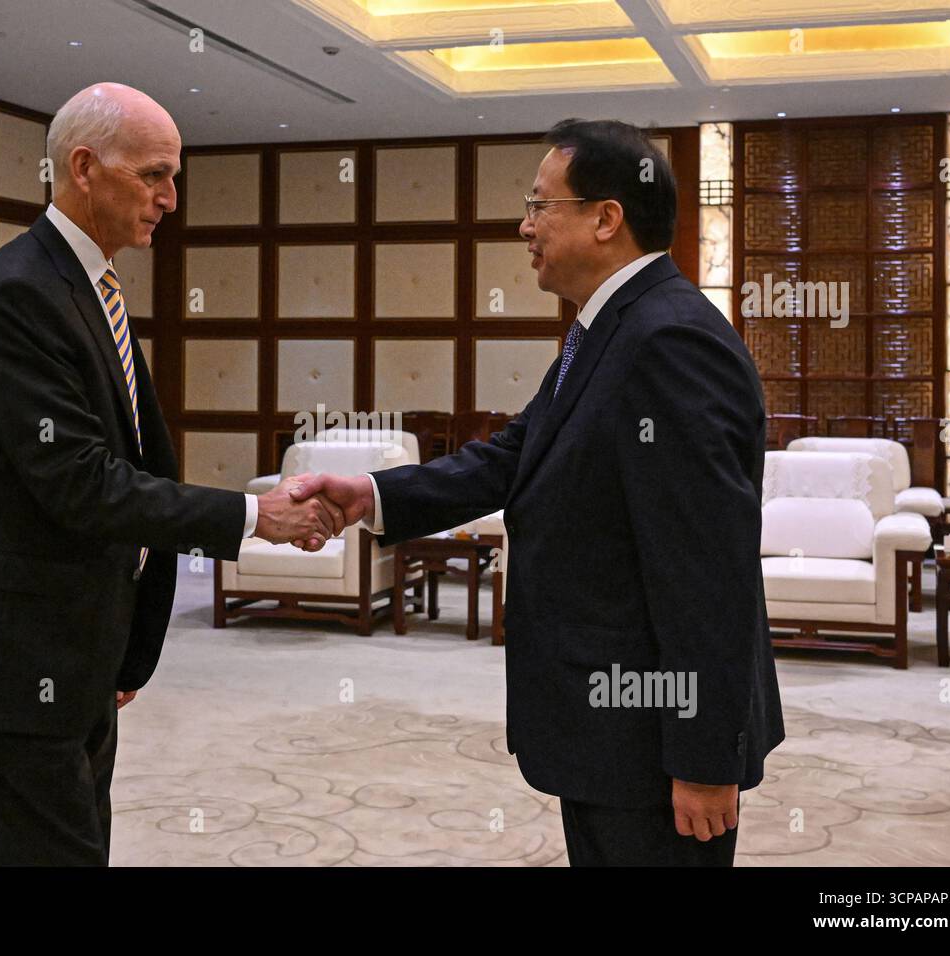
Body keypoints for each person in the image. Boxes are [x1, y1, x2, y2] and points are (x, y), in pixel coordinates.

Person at [292, 119, 784, 866]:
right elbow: (512, 456)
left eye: (538, 205)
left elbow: (706, 571)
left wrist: (706, 756)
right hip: (605, 733)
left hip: (648, 739)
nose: (524, 228)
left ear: (606, 217)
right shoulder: (611, 328)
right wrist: (371, 494)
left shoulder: (667, 341)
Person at [0, 83, 341, 866]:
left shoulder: (86, 283)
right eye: (154, 176)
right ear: (83, 168)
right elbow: (79, 481)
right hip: (14, 658)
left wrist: (125, 647)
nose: (171, 199)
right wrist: (252, 518)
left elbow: (133, 459)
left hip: (76, 650)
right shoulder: (15, 292)